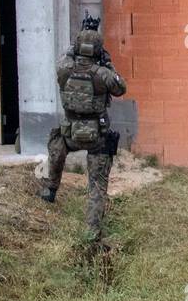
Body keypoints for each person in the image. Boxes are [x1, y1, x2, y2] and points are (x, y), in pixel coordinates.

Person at [39, 14, 127, 241]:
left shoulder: (64, 69)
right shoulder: (103, 75)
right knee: (97, 185)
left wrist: (77, 41)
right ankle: (91, 231)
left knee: (56, 142)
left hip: (70, 134)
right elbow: (120, 87)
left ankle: (50, 189)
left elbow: (66, 57)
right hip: (96, 137)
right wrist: (106, 60)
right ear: (98, 51)